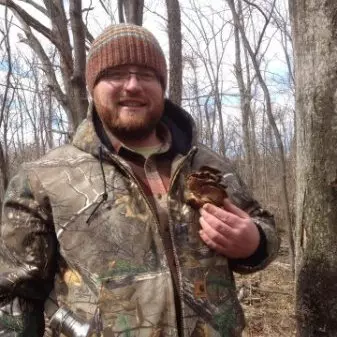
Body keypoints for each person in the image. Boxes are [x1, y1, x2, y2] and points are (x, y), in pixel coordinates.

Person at [0, 24, 279, 337]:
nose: (133, 85)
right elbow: (14, 295)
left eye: (146, 75)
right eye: (116, 73)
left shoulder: (209, 164)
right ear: (93, 86)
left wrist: (255, 243)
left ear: (161, 86)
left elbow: (264, 227)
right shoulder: (42, 177)